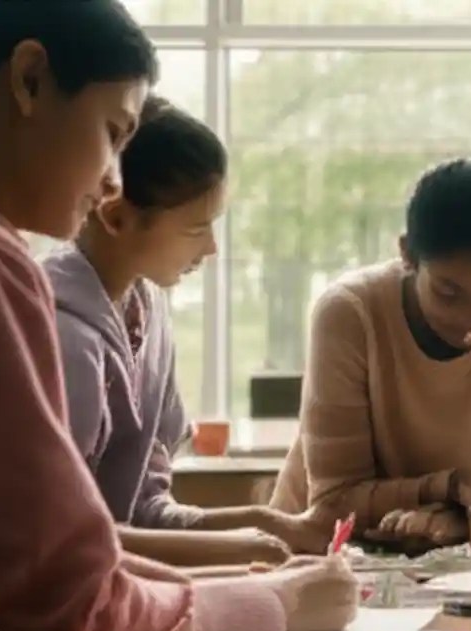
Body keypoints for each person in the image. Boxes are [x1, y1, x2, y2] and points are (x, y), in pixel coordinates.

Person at [0, 0, 355, 631]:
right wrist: (272, 602)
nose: (109, 182)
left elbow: (43, 560)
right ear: (30, 80)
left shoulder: (138, 310)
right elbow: (75, 610)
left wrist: (236, 563)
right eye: (112, 131)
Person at [43, 96, 326, 567]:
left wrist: (266, 522)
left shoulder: (149, 313)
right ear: (115, 216)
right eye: (197, 228)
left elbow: (144, 512)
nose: (213, 247)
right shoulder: (59, 334)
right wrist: (234, 548)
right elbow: (58, 539)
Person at [269, 158, 471, 553]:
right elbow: (335, 503)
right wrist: (450, 487)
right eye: (450, 294)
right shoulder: (350, 313)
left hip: (462, 554)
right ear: (407, 255)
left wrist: (466, 518)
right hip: (324, 554)